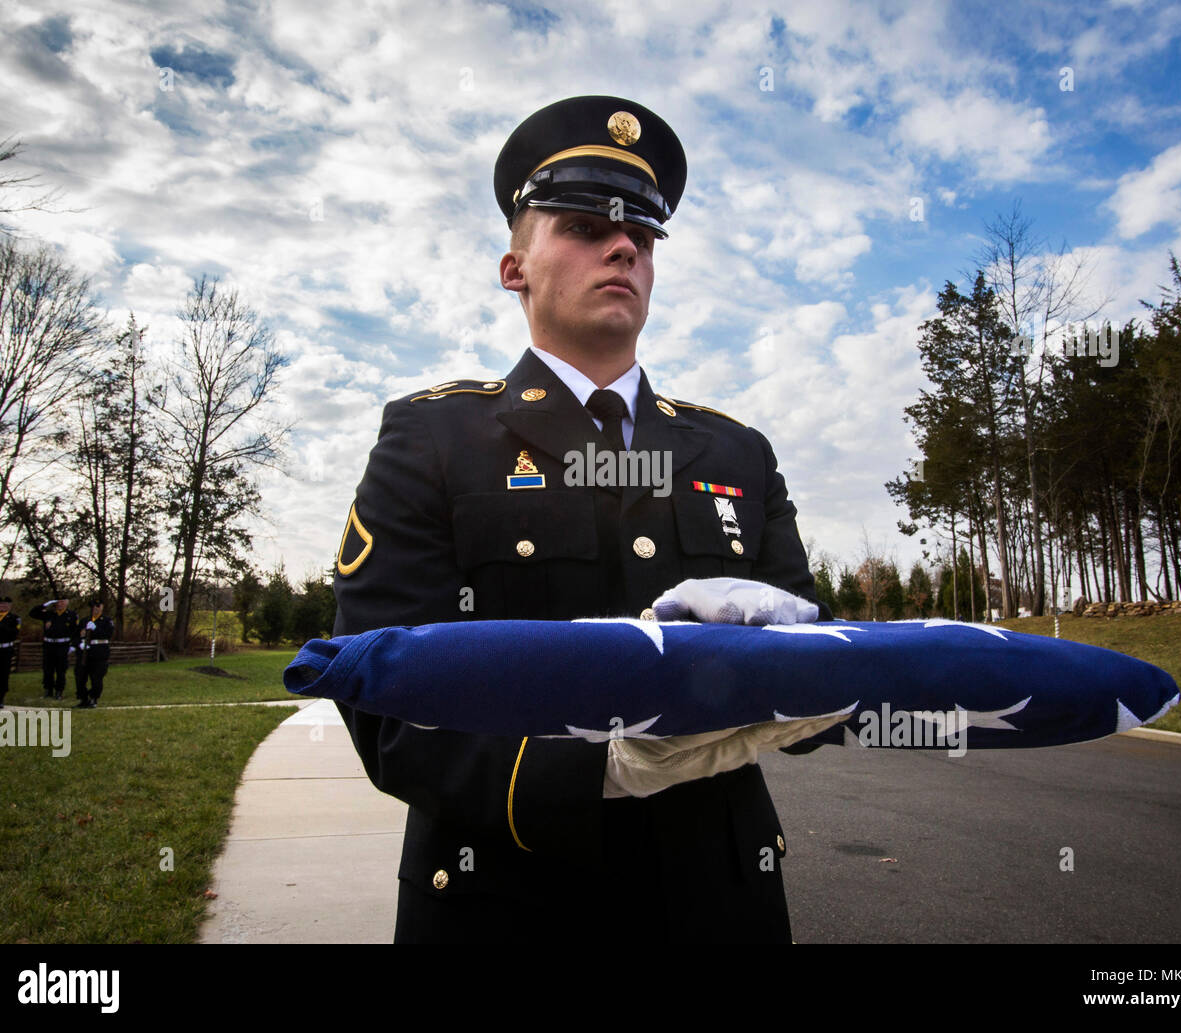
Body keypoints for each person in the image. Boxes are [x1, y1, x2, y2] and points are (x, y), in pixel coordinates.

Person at [332, 96, 831, 944]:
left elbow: (825, 672)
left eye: (643, 231)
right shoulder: (433, 437)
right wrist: (592, 765)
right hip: (508, 906)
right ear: (513, 267)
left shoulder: (736, 452)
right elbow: (382, 692)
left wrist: (805, 664)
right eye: (580, 223)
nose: (624, 244)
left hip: (720, 902)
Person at [30, 597, 78, 701]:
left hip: (63, 645)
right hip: (49, 645)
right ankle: (48, 690)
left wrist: (73, 645)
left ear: (67, 602)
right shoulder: (49, 614)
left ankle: (59, 692)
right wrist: (44, 605)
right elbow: (32, 613)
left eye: (62, 602)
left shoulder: (72, 615)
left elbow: (76, 632)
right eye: (58, 602)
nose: (60, 604)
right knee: (48, 670)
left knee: (61, 670)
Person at [74, 601, 114, 709]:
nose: (95, 609)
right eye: (93, 607)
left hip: (99, 653)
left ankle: (93, 698)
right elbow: (76, 635)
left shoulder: (106, 621)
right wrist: (79, 644)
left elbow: (108, 635)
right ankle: (83, 699)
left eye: (98, 607)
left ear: (102, 607)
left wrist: (96, 629)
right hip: (85, 653)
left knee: (96, 678)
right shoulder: (84, 621)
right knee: (80, 677)